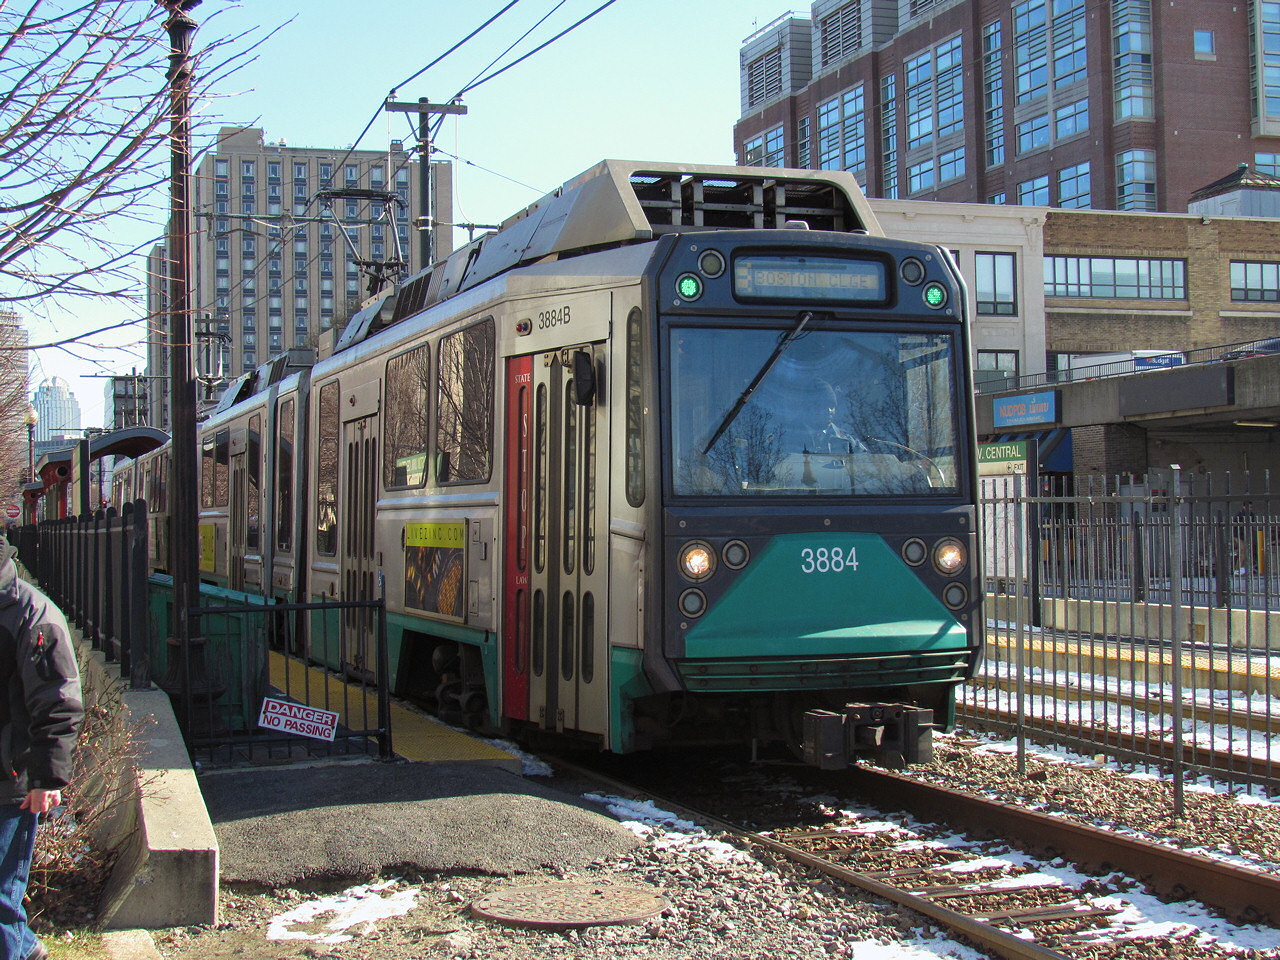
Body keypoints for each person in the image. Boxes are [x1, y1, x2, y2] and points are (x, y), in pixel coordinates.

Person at [0, 539, 83, 960]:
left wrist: (47, 779)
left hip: (11, 779)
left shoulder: (31, 615)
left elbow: (57, 701)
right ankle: (26, 950)